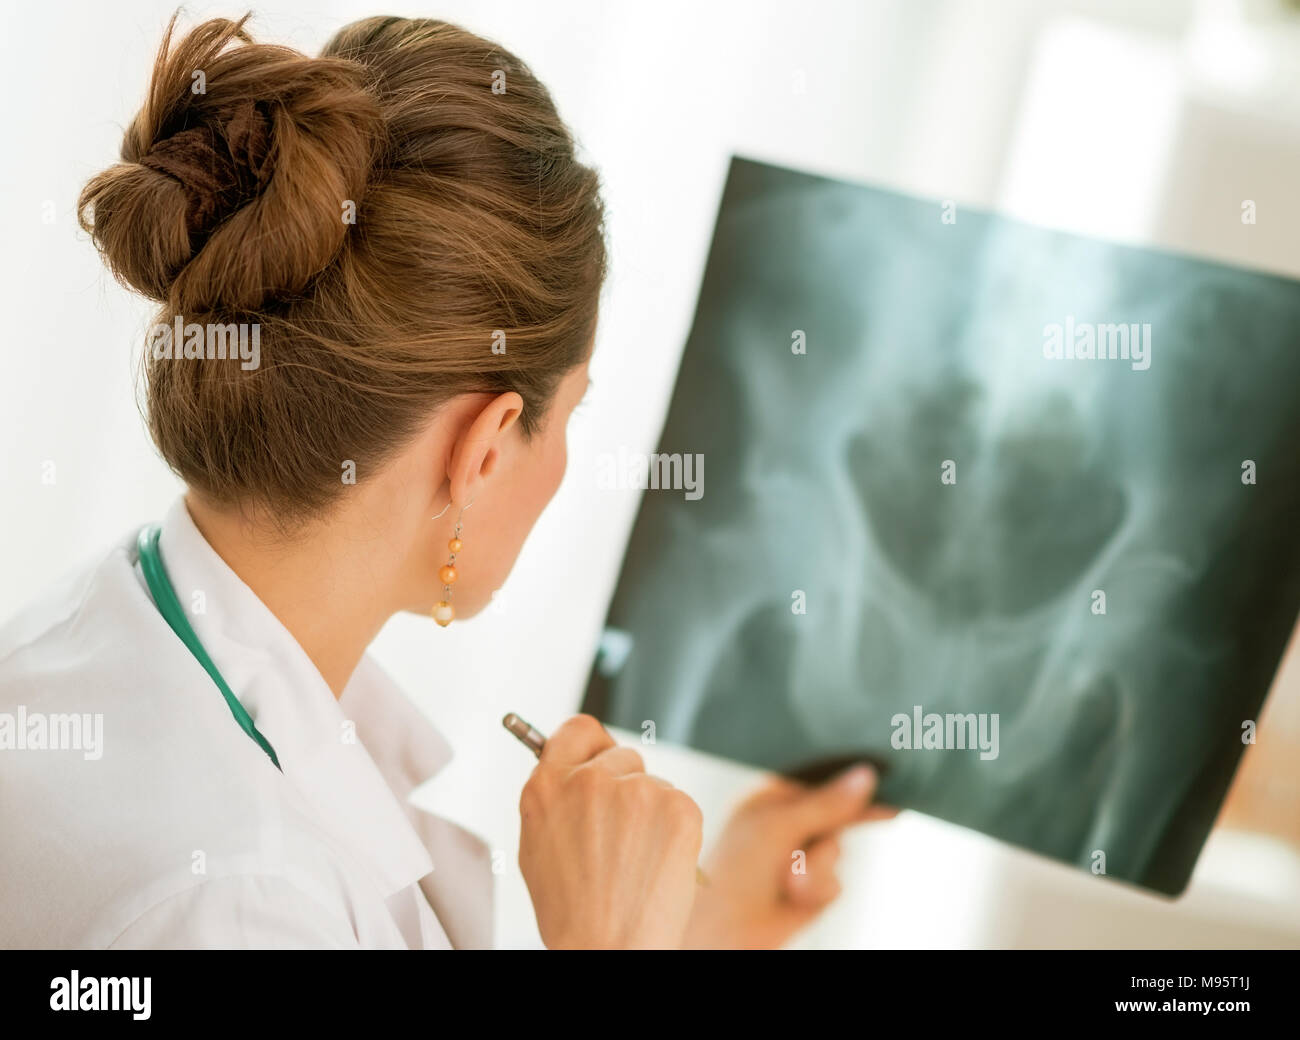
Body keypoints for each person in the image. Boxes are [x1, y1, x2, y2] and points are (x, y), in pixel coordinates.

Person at [0, 13, 891, 949]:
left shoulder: (102, 632)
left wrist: (710, 924)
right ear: (486, 446)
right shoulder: (241, 901)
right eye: (571, 416)